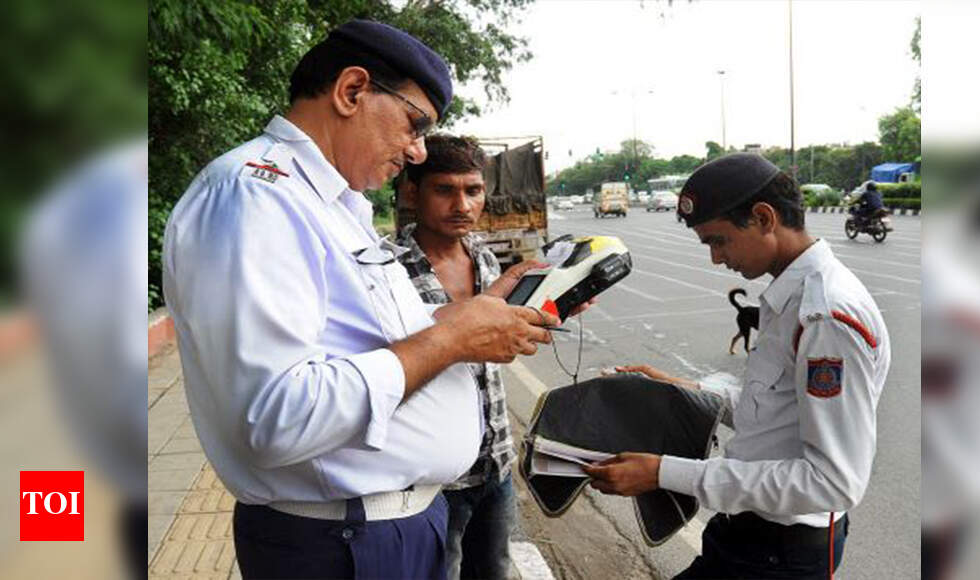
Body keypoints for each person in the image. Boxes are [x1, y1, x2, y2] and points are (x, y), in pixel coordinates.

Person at [161, 20, 558, 580]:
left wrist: (475, 313)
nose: (417, 150)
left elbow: (364, 342)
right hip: (342, 543)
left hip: (390, 527)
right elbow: (273, 417)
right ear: (351, 91)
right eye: (414, 123)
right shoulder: (255, 198)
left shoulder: (328, 204)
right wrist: (450, 339)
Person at [583, 153, 891, 579]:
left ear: (764, 218)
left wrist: (662, 473)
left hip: (780, 555)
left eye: (718, 241)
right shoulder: (793, 296)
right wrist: (677, 387)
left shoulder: (825, 317)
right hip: (748, 538)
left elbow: (833, 483)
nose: (715, 258)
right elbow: (772, 412)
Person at [393, 134, 535, 580]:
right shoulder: (386, 269)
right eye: (445, 190)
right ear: (412, 192)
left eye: (472, 190)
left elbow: (501, 344)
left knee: (493, 569)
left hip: (494, 463)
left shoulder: (488, 261)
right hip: (429, 478)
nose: (462, 204)